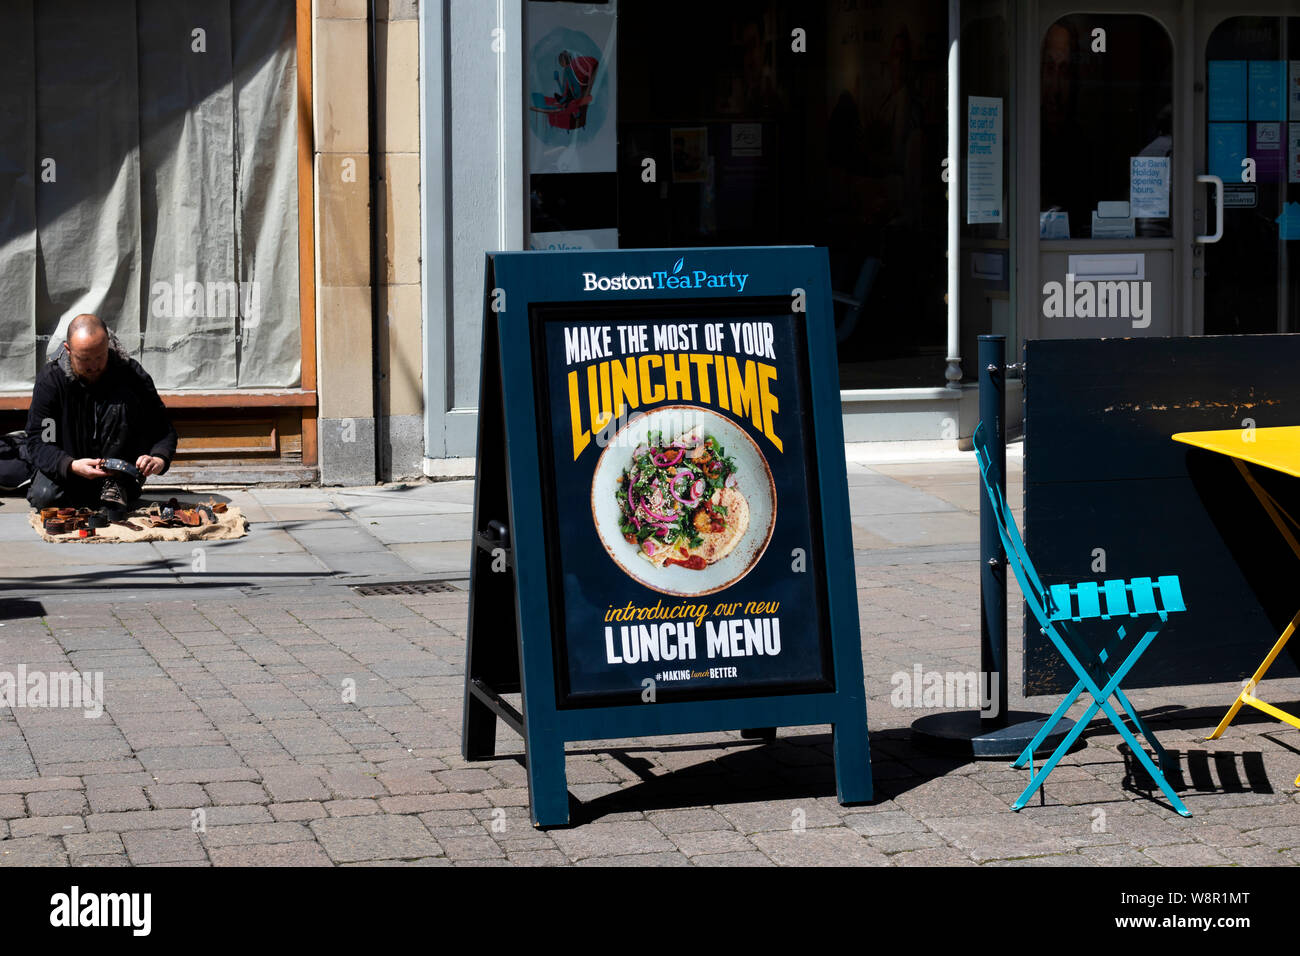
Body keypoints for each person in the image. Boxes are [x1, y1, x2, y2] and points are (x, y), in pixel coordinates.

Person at [24, 313, 177, 510]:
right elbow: (38, 440)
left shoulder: (132, 376)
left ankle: (116, 486)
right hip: (69, 470)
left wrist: (158, 458)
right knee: (45, 497)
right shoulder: (52, 381)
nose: (94, 366)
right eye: (85, 359)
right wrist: (70, 465)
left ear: (109, 346)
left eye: (100, 356)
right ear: (68, 350)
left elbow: (163, 428)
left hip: (118, 472)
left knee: (122, 400)